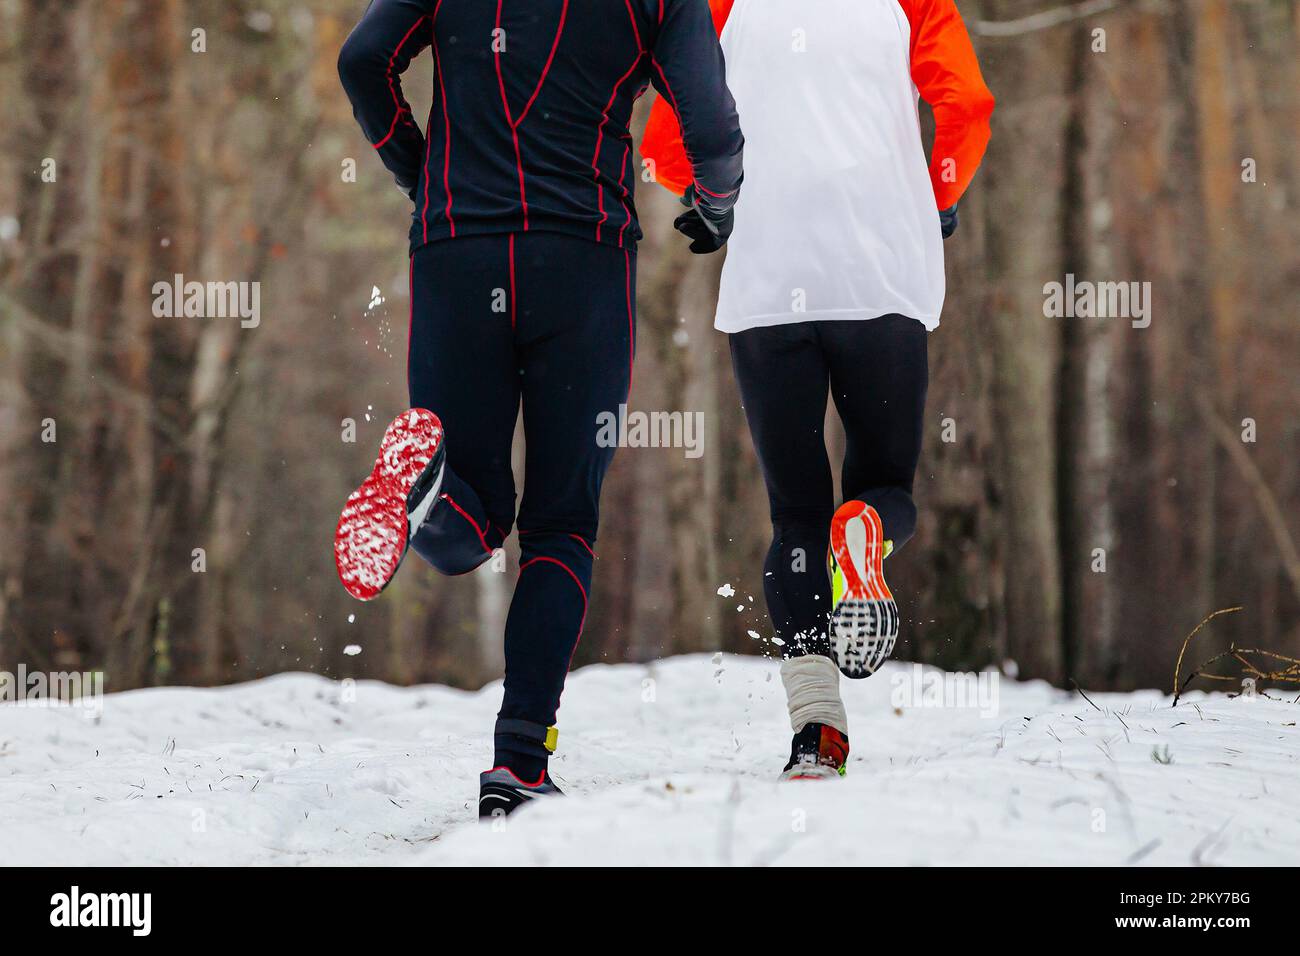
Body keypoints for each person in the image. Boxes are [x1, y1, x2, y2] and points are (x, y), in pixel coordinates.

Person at [335, 0, 743, 816]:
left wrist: (419, 169)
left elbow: (363, 59)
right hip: (580, 261)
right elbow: (711, 118)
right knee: (560, 527)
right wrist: (719, 196)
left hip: (458, 249)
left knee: (474, 512)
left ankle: (428, 495)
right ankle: (519, 760)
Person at [642, 0, 993, 779]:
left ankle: (817, 734)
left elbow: (668, 143)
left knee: (794, 513)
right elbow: (965, 103)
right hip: (884, 272)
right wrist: (937, 192)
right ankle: (864, 528)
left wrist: (711, 197)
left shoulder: (718, 7)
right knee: (883, 482)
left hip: (771, 279)